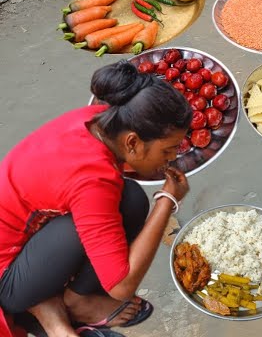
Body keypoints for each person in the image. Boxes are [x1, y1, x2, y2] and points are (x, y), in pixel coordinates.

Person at [0, 62, 191, 337]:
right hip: (7, 280)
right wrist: (167, 200)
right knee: (107, 211)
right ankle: (49, 305)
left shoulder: (98, 119)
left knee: (131, 198)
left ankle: (76, 299)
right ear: (132, 143)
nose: (173, 158)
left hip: (30, 234)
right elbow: (122, 286)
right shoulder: (92, 182)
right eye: (168, 150)